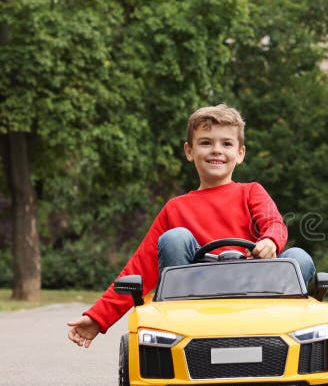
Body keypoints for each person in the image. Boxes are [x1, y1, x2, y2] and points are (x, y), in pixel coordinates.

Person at [67, 104, 314, 348]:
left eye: (226, 144)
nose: (216, 150)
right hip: (195, 297)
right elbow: (142, 265)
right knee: (174, 238)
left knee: (299, 258)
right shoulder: (175, 208)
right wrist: (98, 318)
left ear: (240, 153)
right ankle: (178, 325)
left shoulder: (251, 191)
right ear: (189, 150)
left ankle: (276, 330)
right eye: (206, 143)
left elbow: (275, 224)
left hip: (255, 290)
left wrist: (270, 240)